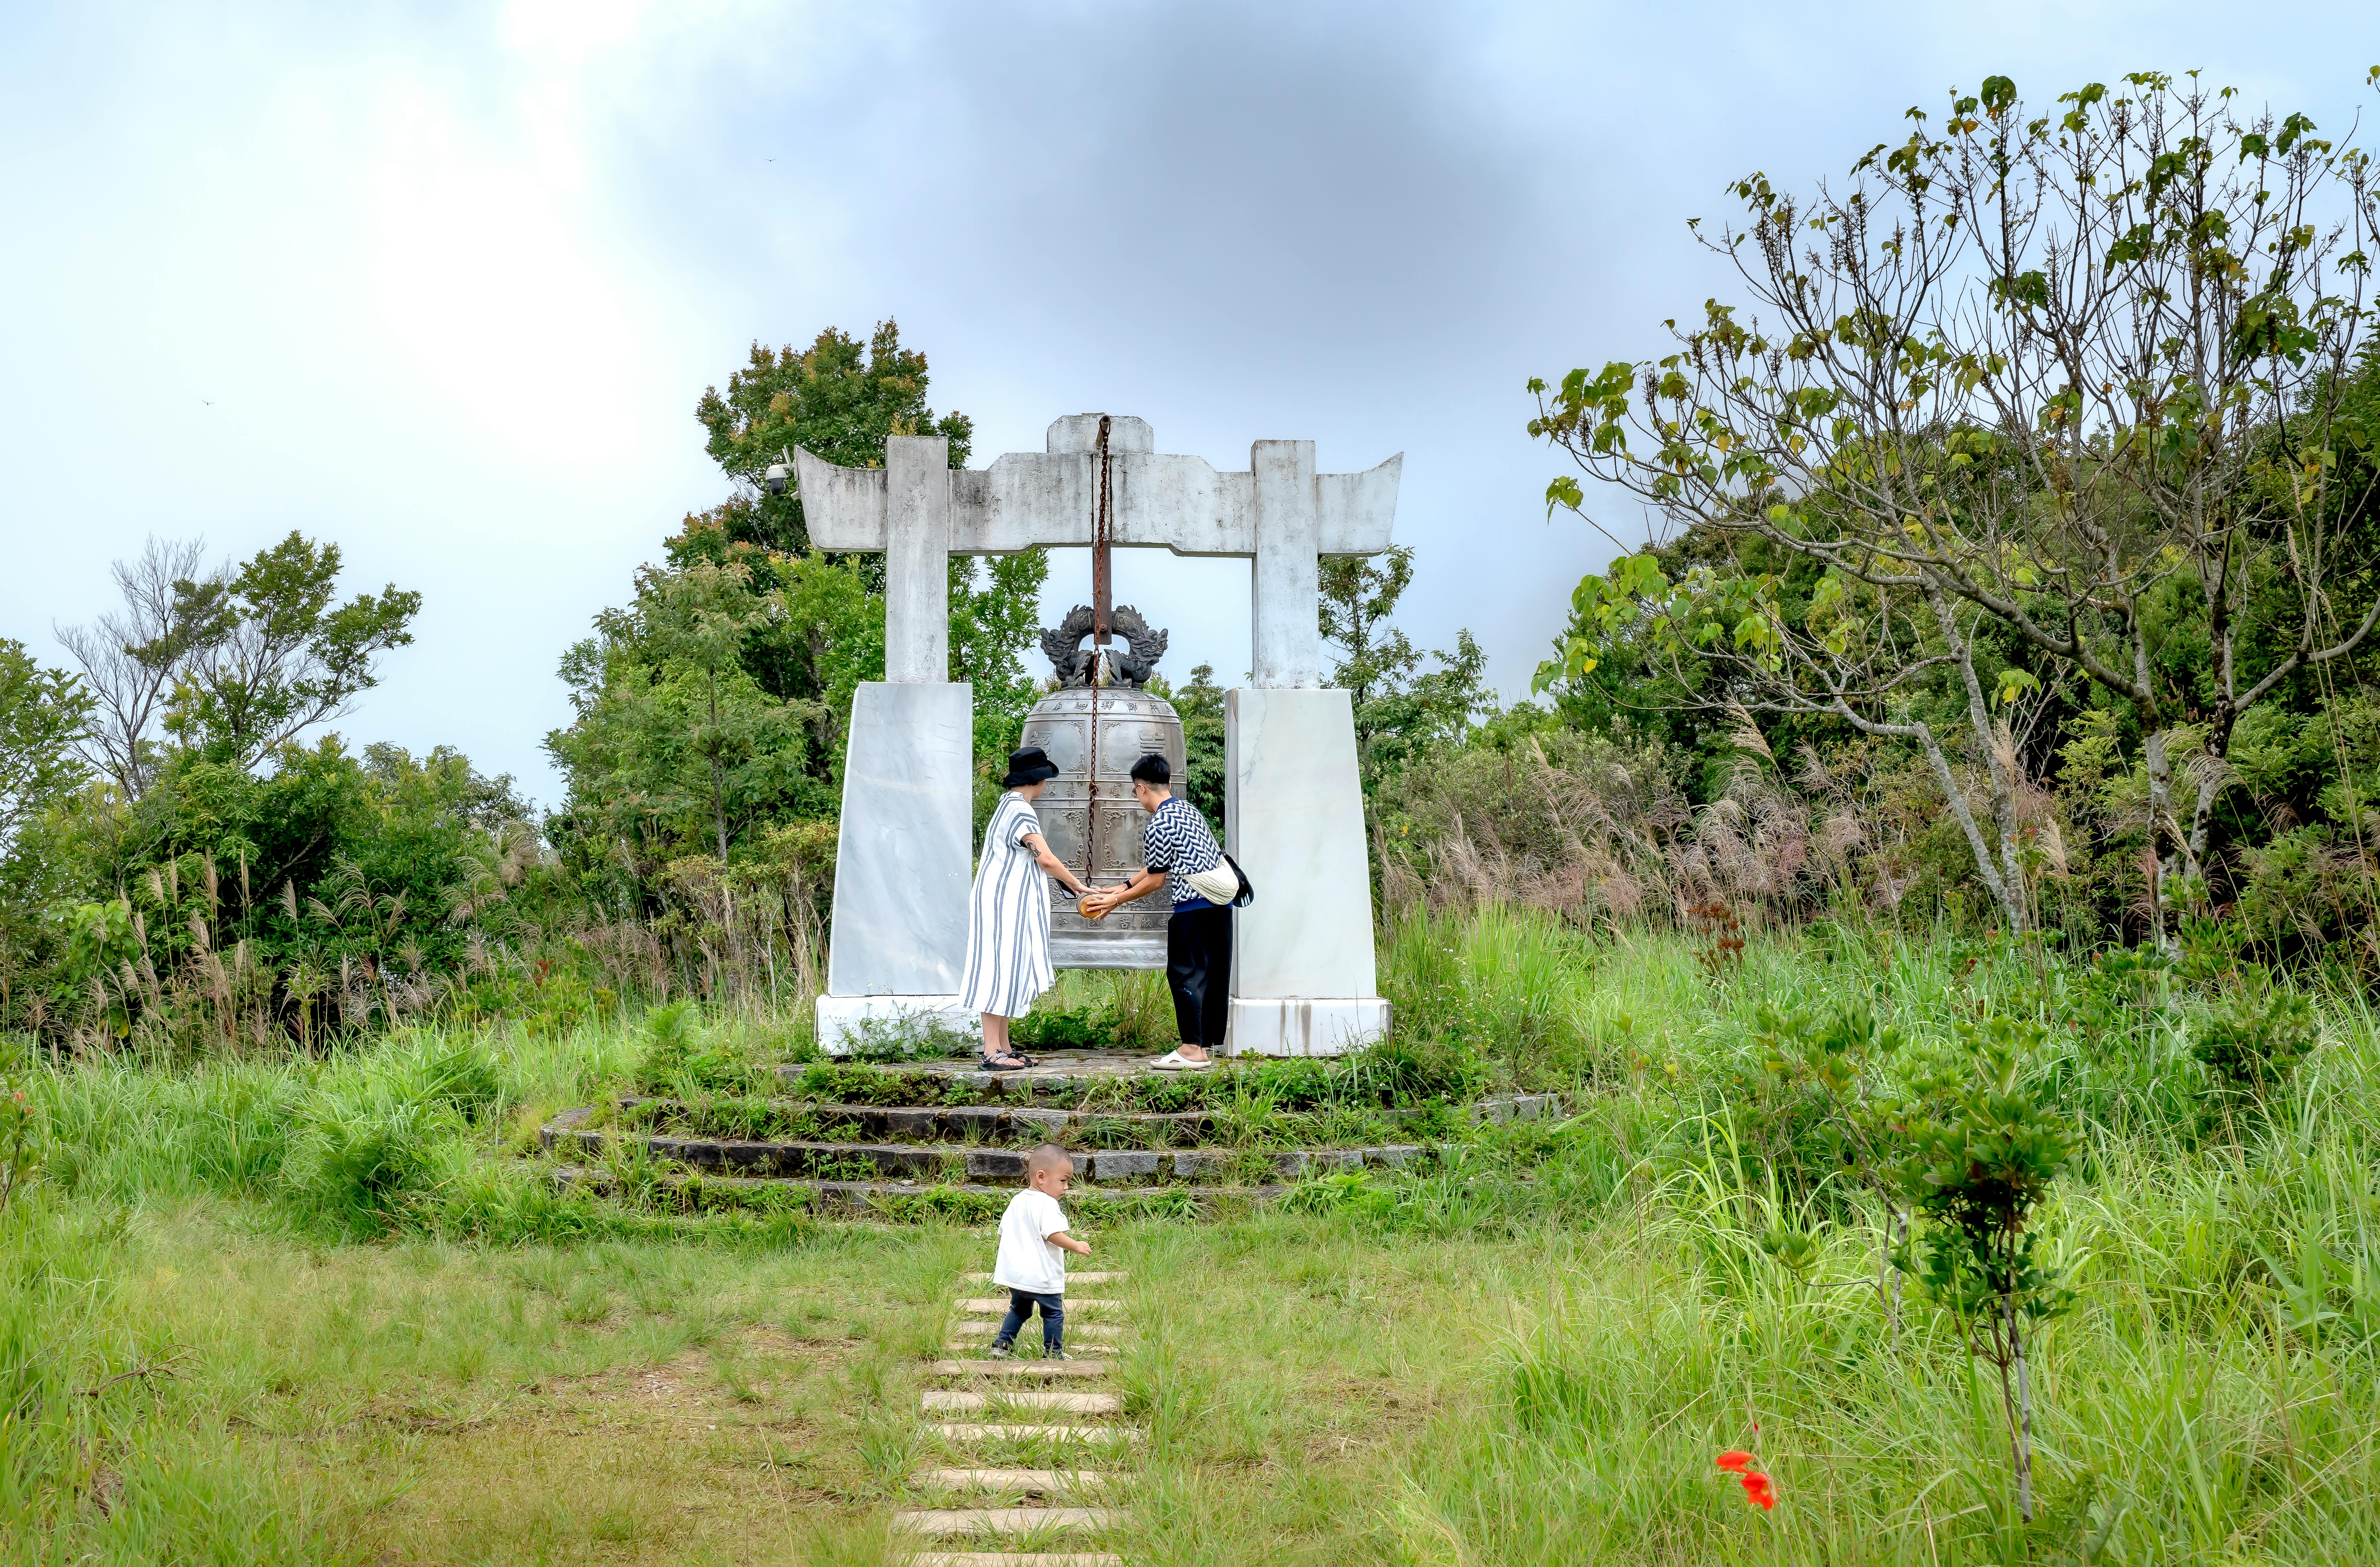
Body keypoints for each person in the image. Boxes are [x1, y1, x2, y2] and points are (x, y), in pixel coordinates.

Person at [1079, 753, 1235, 1069]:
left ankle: (1191, 1049)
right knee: (1211, 976)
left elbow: (1156, 880)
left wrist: (1114, 902)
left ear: (1140, 789)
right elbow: (1157, 866)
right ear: (1168, 782)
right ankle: (1202, 1047)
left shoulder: (1159, 822)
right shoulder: (1188, 811)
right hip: (1220, 908)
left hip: (1193, 909)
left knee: (1184, 975)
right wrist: (1121, 887)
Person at [961, 746, 1094, 1072]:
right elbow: (1045, 857)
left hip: (1003, 899)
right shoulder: (1020, 811)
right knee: (997, 970)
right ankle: (992, 1051)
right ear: (1037, 779)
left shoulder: (1010, 806)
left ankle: (1003, 1046)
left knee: (1007, 968)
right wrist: (1078, 886)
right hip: (1002, 901)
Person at [988, 1143, 1092, 1360]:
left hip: (1019, 1277)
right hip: (1043, 1277)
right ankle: (1054, 1353)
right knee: (1053, 1313)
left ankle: (1002, 1344)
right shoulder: (1047, 1204)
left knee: (1019, 1310)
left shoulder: (1017, 1201)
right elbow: (1052, 1234)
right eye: (1063, 1181)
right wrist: (1076, 1245)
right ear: (1042, 1177)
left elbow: (1002, 1233)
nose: (1066, 1188)